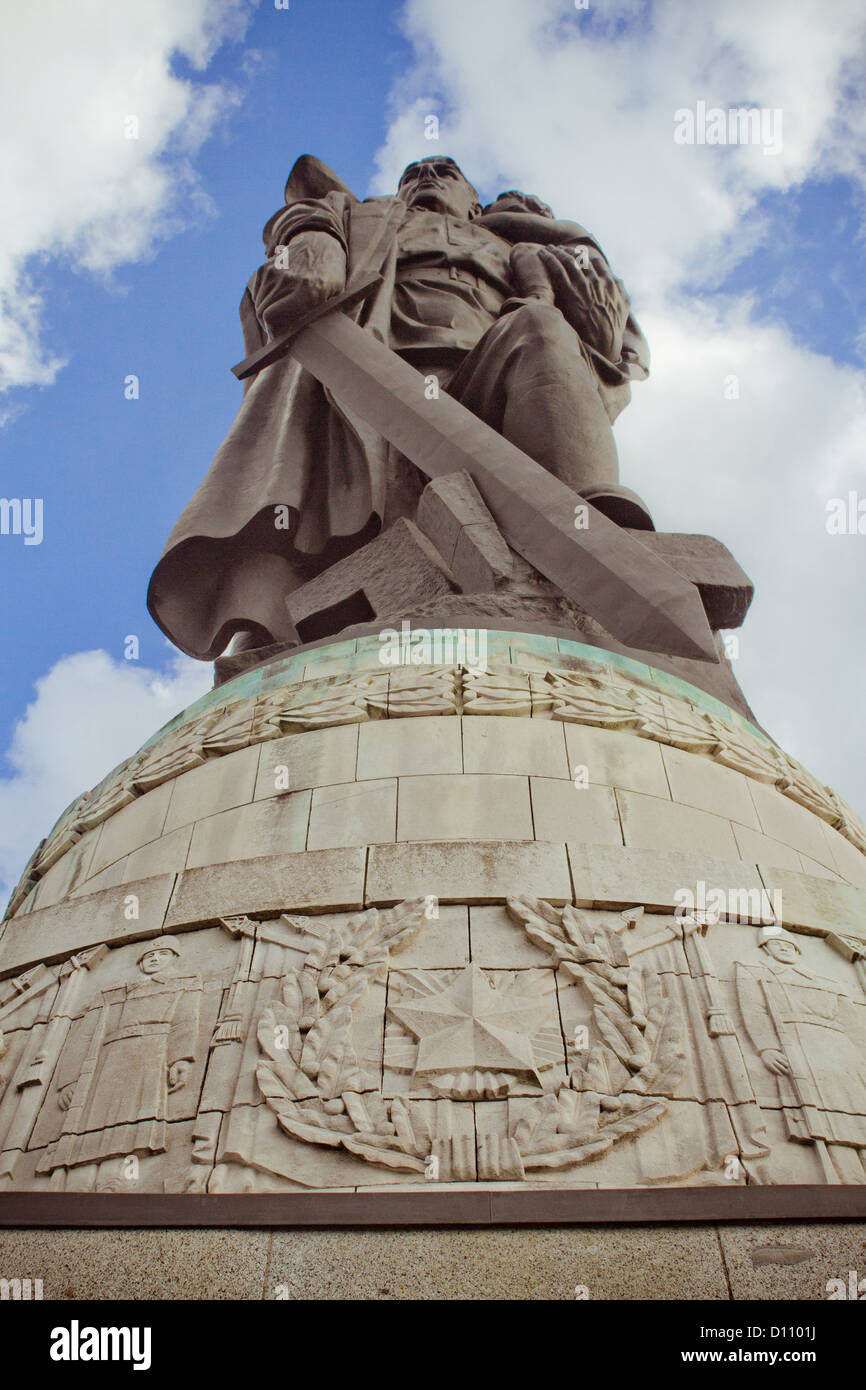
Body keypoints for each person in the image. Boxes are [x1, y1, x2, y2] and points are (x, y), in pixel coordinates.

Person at [147, 156, 650, 664]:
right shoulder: (363, 218)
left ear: (475, 203)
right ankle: (291, 624)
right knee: (340, 503)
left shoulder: (519, 247)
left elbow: (602, 341)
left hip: (490, 386)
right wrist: (310, 236)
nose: (426, 177)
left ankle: (588, 528)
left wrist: (566, 271)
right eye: (413, 173)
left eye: (445, 172)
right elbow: (292, 274)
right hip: (369, 376)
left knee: (542, 328)